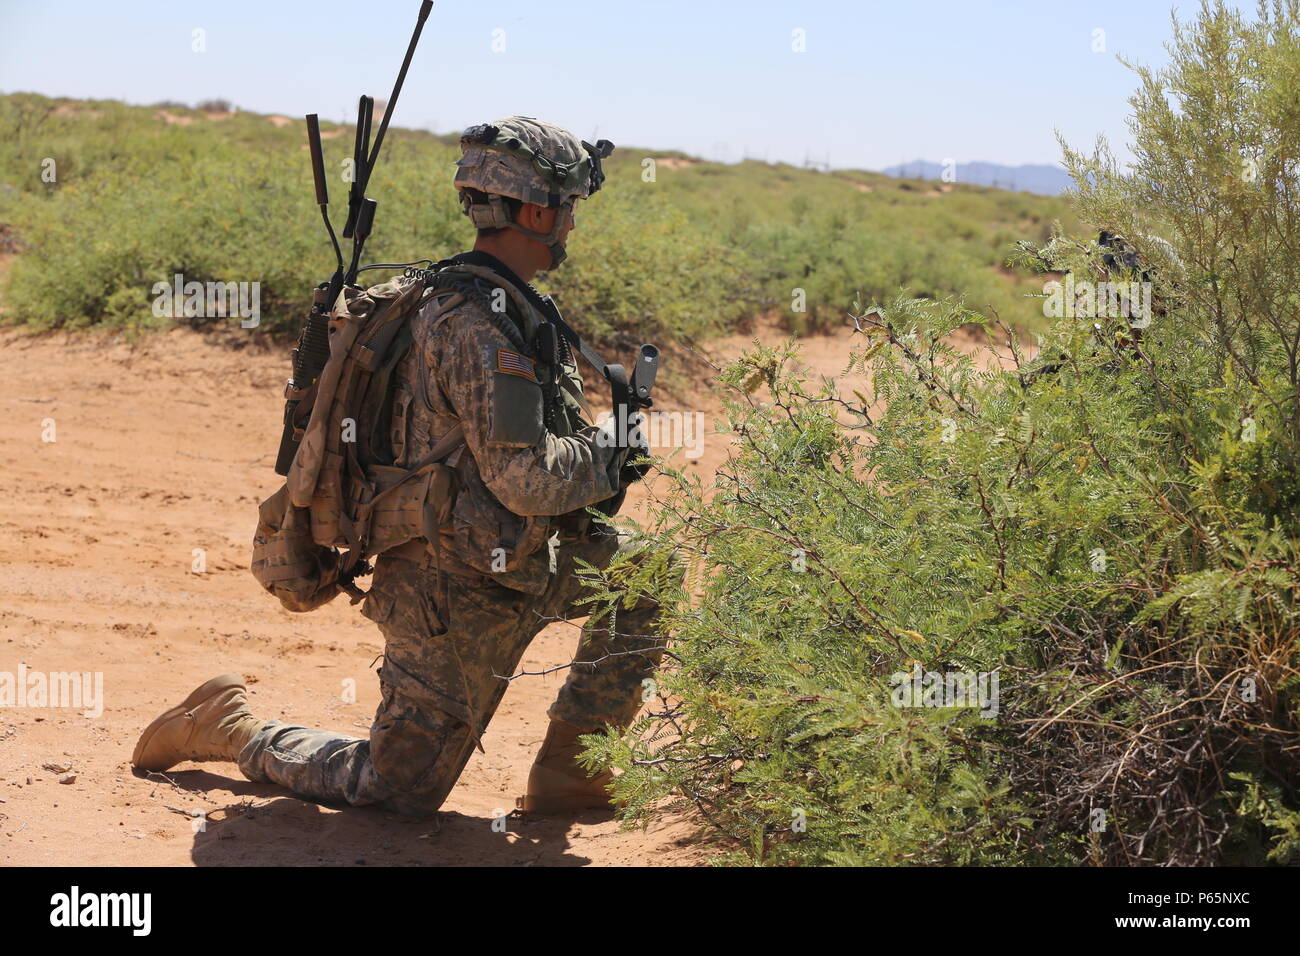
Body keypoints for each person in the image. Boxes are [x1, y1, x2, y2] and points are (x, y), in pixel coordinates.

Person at [133, 117, 672, 817]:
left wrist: (605, 456)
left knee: (645, 570)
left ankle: (573, 775)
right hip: (453, 587)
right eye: (569, 208)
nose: (571, 226)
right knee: (394, 789)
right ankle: (230, 727)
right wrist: (617, 447)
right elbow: (527, 479)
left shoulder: (523, 309)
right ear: (536, 212)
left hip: (527, 556)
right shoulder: (476, 323)